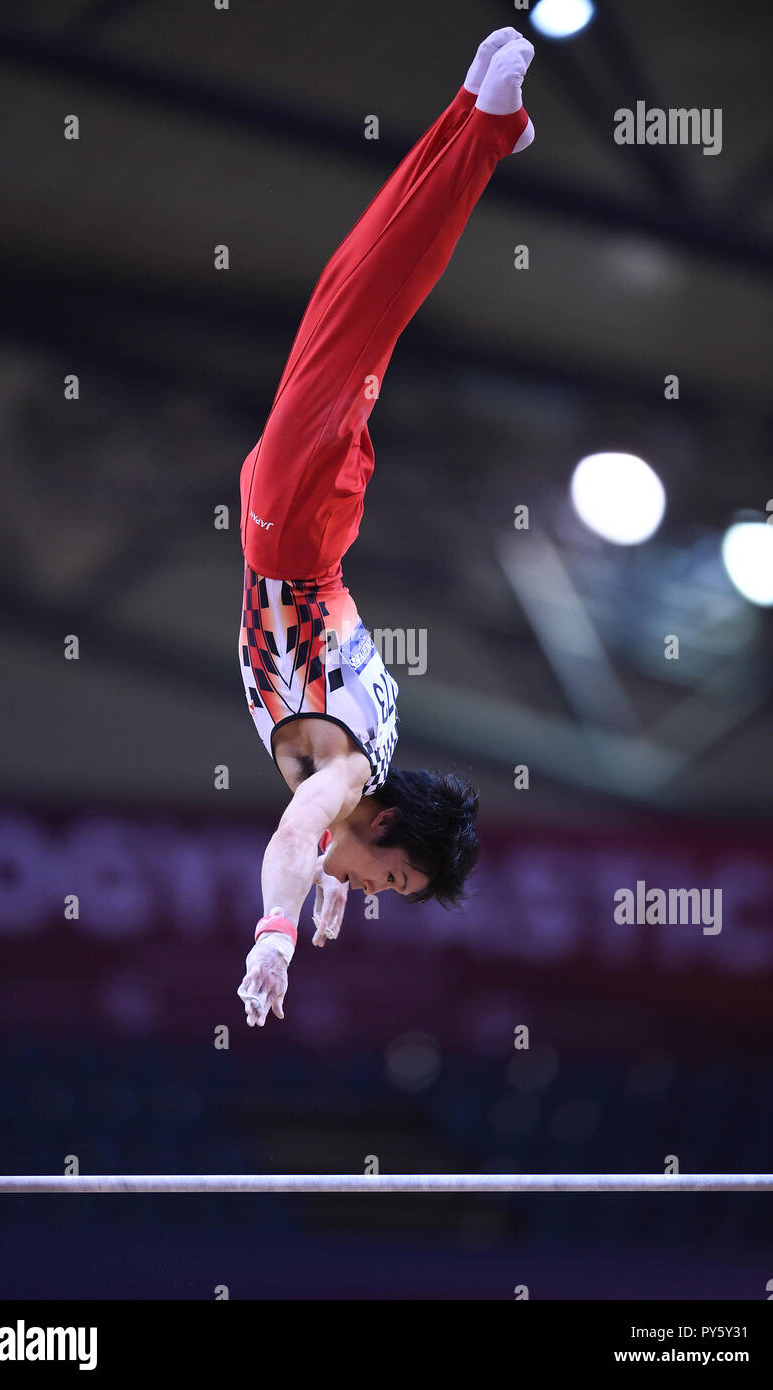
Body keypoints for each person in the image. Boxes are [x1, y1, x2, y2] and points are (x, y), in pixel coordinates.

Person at [237, 29, 536, 1027]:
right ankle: (489, 129)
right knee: (370, 297)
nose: (371, 892)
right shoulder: (350, 771)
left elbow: (320, 839)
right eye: (389, 880)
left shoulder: (351, 787)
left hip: (304, 525)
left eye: (377, 894)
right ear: (388, 820)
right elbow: (297, 835)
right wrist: (274, 935)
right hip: (298, 529)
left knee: (354, 290)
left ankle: (472, 114)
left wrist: (331, 879)